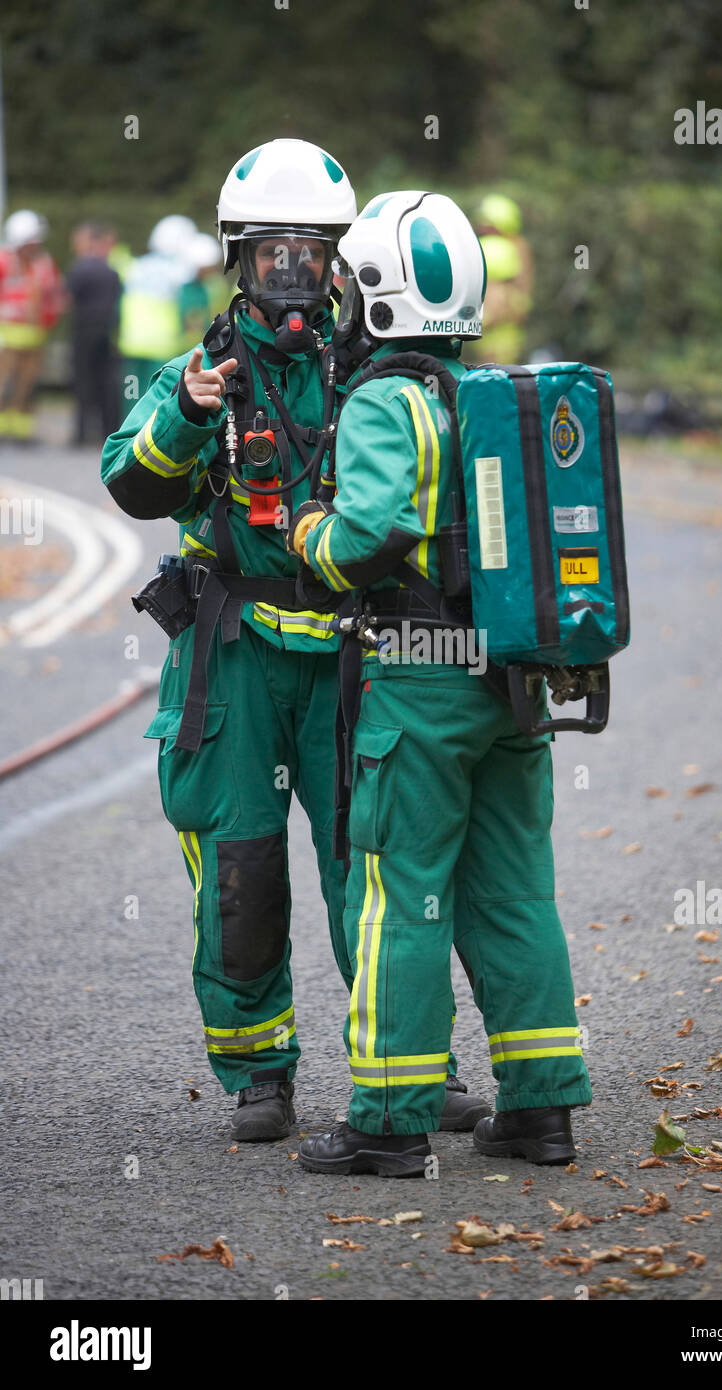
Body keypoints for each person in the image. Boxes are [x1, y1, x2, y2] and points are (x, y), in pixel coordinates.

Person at [101, 142, 483, 1143]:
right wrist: (187, 416)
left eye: (308, 255)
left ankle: (408, 1067)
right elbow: (128, 483)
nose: (288, 275)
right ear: (238, 260)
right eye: (270, 253)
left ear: (337, 265)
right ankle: (257, 1072)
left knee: (378, 865)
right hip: (231, 660)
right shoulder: (199, 375)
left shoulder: (374, 372)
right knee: (240, 866)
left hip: (353, 658)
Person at [293, 191, 590, 1178]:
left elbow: (370, 532)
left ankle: (388, 1119)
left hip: (418, 689)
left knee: (402, 894)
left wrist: (304, 534)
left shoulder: (387, 398)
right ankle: (540, 1112)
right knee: (513, 892)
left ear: (376, 296)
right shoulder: (484, 396)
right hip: (512, 685)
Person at [117, 214, 197, 411]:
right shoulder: (183, 271)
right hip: (163, 346)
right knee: (157, 397)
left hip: (132, 343)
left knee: (131, 394)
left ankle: (126, 437)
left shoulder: (136, 266)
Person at [0, 211, 65, 442]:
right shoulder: (4, 261)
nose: (34, 246)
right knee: (4, 383)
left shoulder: (43, 263)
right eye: (30, 242)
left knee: (27, 385)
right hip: (7, 337)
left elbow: (55, 295)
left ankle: (21, 431)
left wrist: (52, 315)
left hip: (36, 336)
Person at [66, 222, 123, 444]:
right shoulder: (111, 271)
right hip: (107, 331)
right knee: (106, 382)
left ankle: (81, 434)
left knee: (82, 381)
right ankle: (107, 431)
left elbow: (68, 299)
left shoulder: (80, 269)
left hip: (83, 331)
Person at [463, 193, 533, 365]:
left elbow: (521, 299)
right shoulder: (484, 245)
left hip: (504, 332)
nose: (483, 228)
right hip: (483, 330)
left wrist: (502, 310)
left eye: (489, 225)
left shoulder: (518, 248)